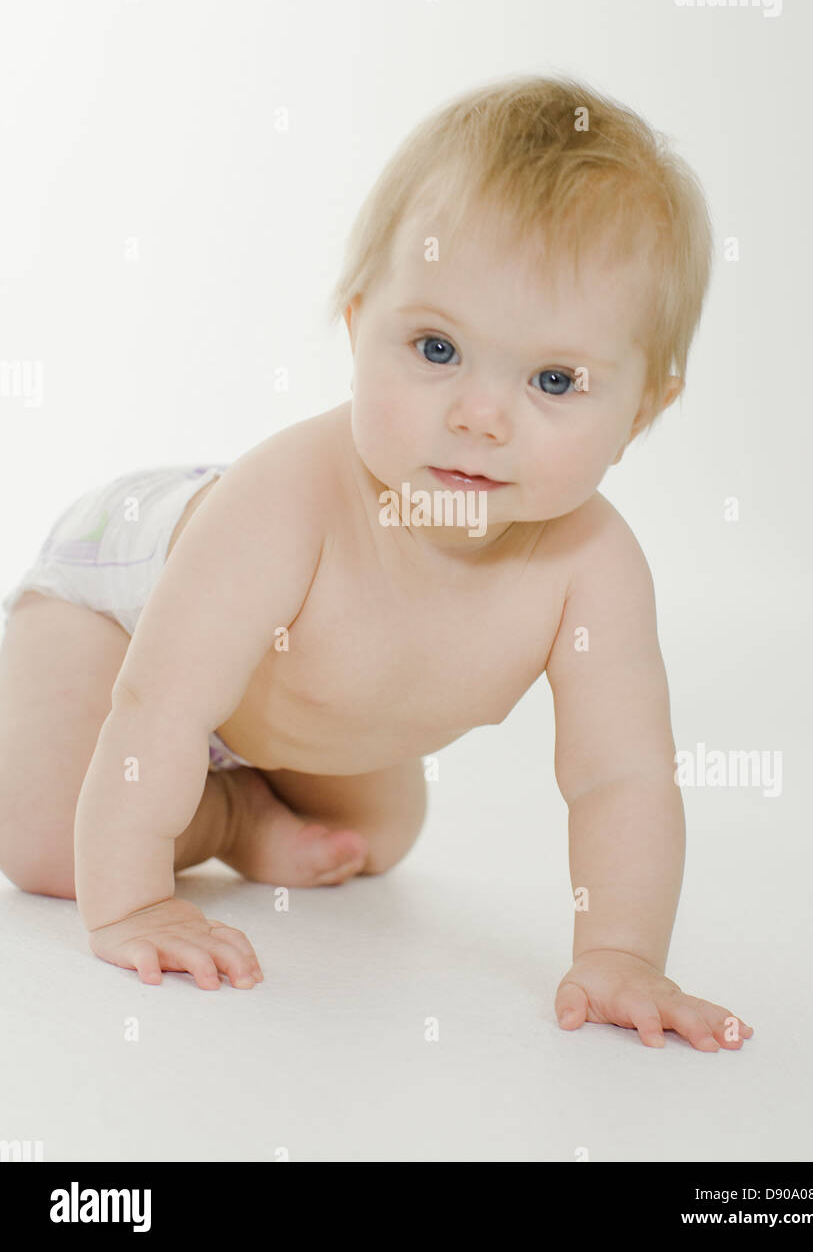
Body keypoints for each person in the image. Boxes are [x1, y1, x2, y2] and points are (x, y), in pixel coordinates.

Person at [0, 72, 753, 1051]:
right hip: (126, 615)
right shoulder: (287, 502)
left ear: (643, 409)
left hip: (286, 708)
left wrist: (618, 953)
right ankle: (219, 820)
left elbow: (621, 777)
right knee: (46, 837)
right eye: (436, 348)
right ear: (360, 329)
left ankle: (236, 809)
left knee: (381, 838)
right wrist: (133, 902)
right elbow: (160, 706)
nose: (478, 415)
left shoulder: (590, 565)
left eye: (553, 379)